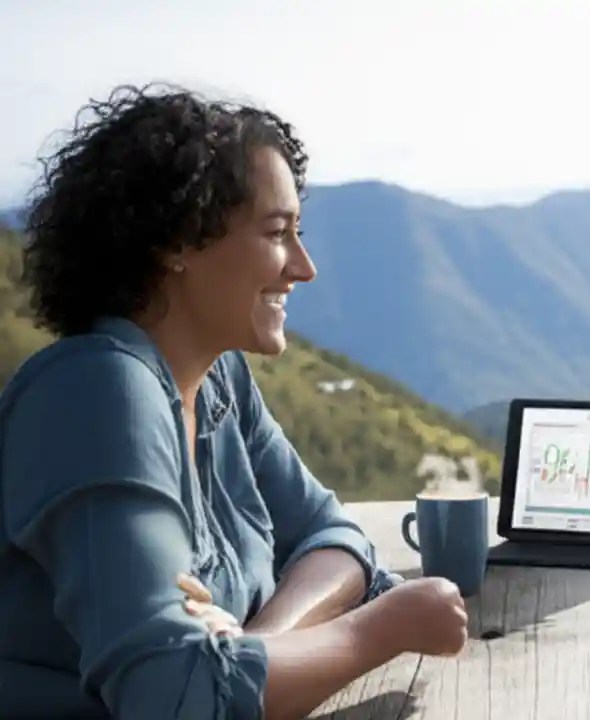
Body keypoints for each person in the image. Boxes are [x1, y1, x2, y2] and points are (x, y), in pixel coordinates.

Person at [0, 85, 469, 719]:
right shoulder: (99, 396)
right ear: (176, 243)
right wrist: (382, 629)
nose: (303, 268)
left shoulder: (218, 381)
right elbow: (177, 700)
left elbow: (336, 542)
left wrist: (251, 649)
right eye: (278, 233)